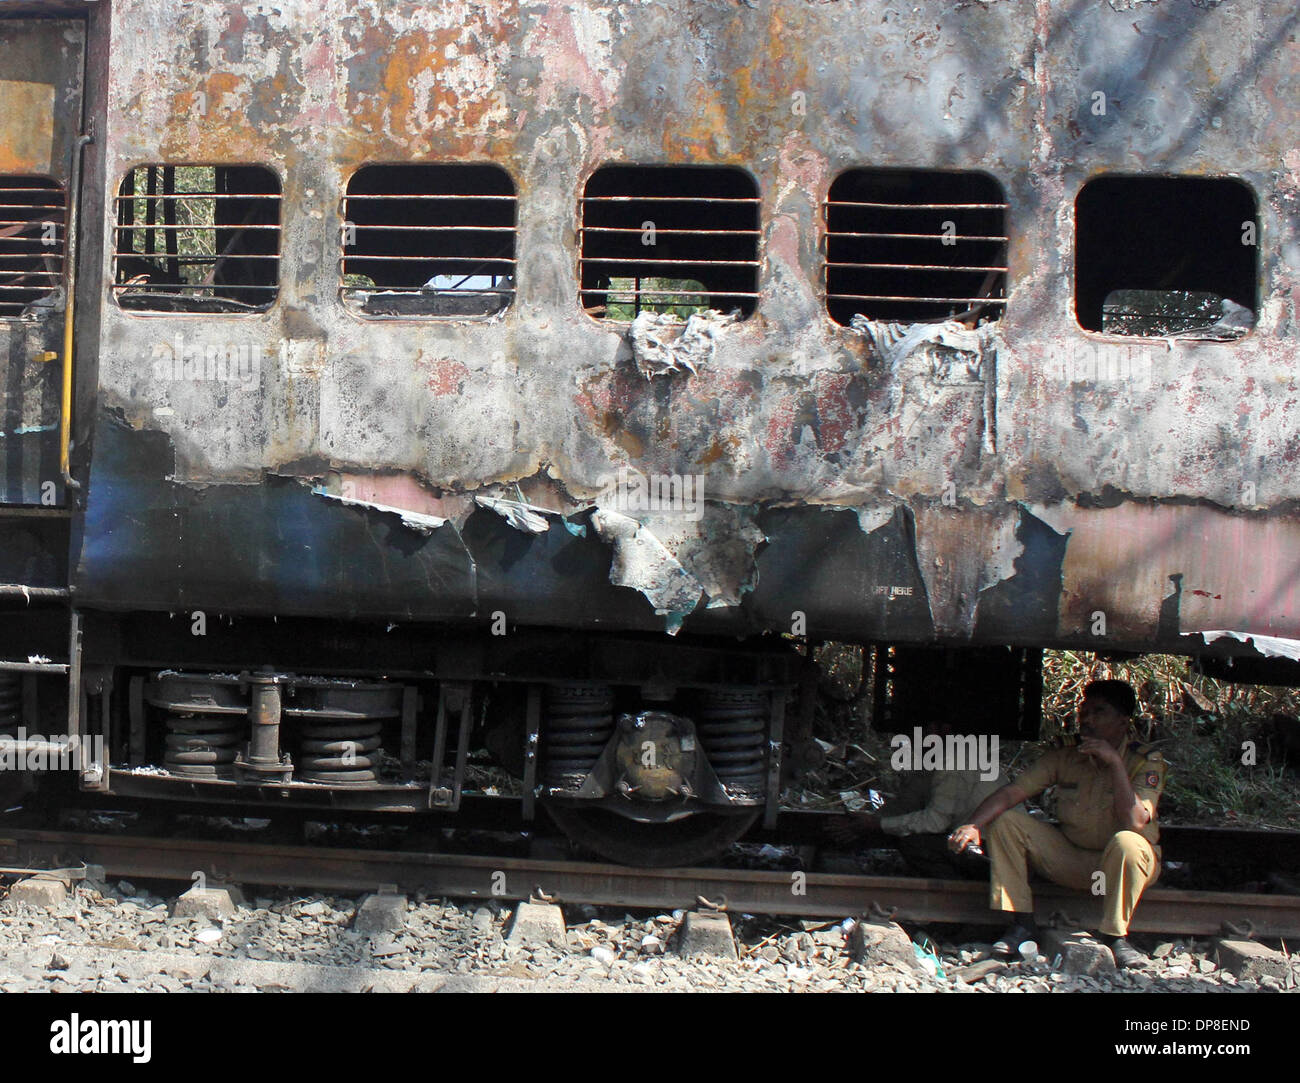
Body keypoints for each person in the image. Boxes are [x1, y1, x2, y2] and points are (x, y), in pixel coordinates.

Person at [947, 679, 1167, 969]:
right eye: (1084, 712)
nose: (1087, 720)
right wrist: (973, 825)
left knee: (1128, 841)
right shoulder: (1066, 753)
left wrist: (1114, 763)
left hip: (1120, 867)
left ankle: (1115, 936)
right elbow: (1013, 792)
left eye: (1099, 712)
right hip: (1073, 861)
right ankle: (1022, 924)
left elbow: (1135, 820)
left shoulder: (1146, 761)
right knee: (1007, 823)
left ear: (1123, 722)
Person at [829, 722, 1010, 879]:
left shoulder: (953, 761)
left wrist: (878, 824)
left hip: (993, 853)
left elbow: (934, 822)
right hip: (992, 847)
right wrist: (867, 821)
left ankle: (956, 896)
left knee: (915, 844)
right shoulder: (937, 763)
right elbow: (908, 802)